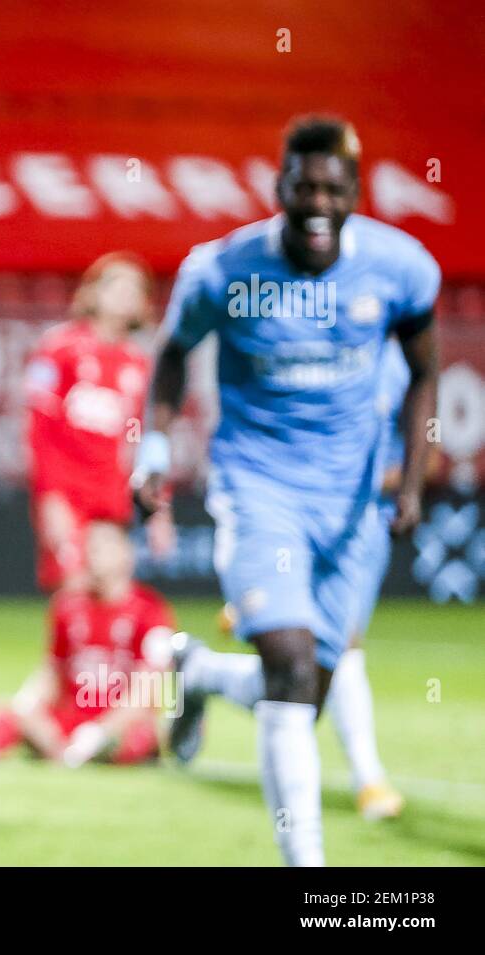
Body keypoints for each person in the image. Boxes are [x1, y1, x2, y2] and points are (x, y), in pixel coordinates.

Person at [135, 116, 440, 865]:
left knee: (306, 690)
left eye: (333, 189)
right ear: (280, 188)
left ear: (354, 195)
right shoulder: (223, 271)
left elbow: (425, 371)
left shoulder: (399, 269)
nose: (317, 203)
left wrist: (414, 475)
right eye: (303, 187)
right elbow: (172, 356)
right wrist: (153, 447)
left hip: (353, 506)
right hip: (259, 490)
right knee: (293, 666)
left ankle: (199, 672)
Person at [171, 339, 422, 821]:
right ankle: (368, 779)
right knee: (334, 650)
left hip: (361, 527)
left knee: (308, 684)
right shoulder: (306, 339)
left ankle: (201, 673)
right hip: (292, 515)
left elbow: (424, 450)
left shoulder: (398, 359)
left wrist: (390, 481)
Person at [0, 521, 175, 767]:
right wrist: (28, 707)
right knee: (9, 711)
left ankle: (86, 752)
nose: (91, 555)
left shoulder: (151, 611)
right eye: (88, 547)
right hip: (70, 721)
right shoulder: (67, 606)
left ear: (125, 553)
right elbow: (52, 672)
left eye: (101, 547)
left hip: (118, 723)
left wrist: (99, 732)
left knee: (144, 735)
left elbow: (146, 689)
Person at [24, 252, 171, 597]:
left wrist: (158, 510)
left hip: (111, 495)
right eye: (116, 286)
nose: (125, 295)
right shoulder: (58, 350)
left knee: (115, 590)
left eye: (134, 289)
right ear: (93, 293)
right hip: (66, 491)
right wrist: (50, 498)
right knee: (73, 589)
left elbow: (148, 443)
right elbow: (38, 433)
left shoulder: (140, 364)